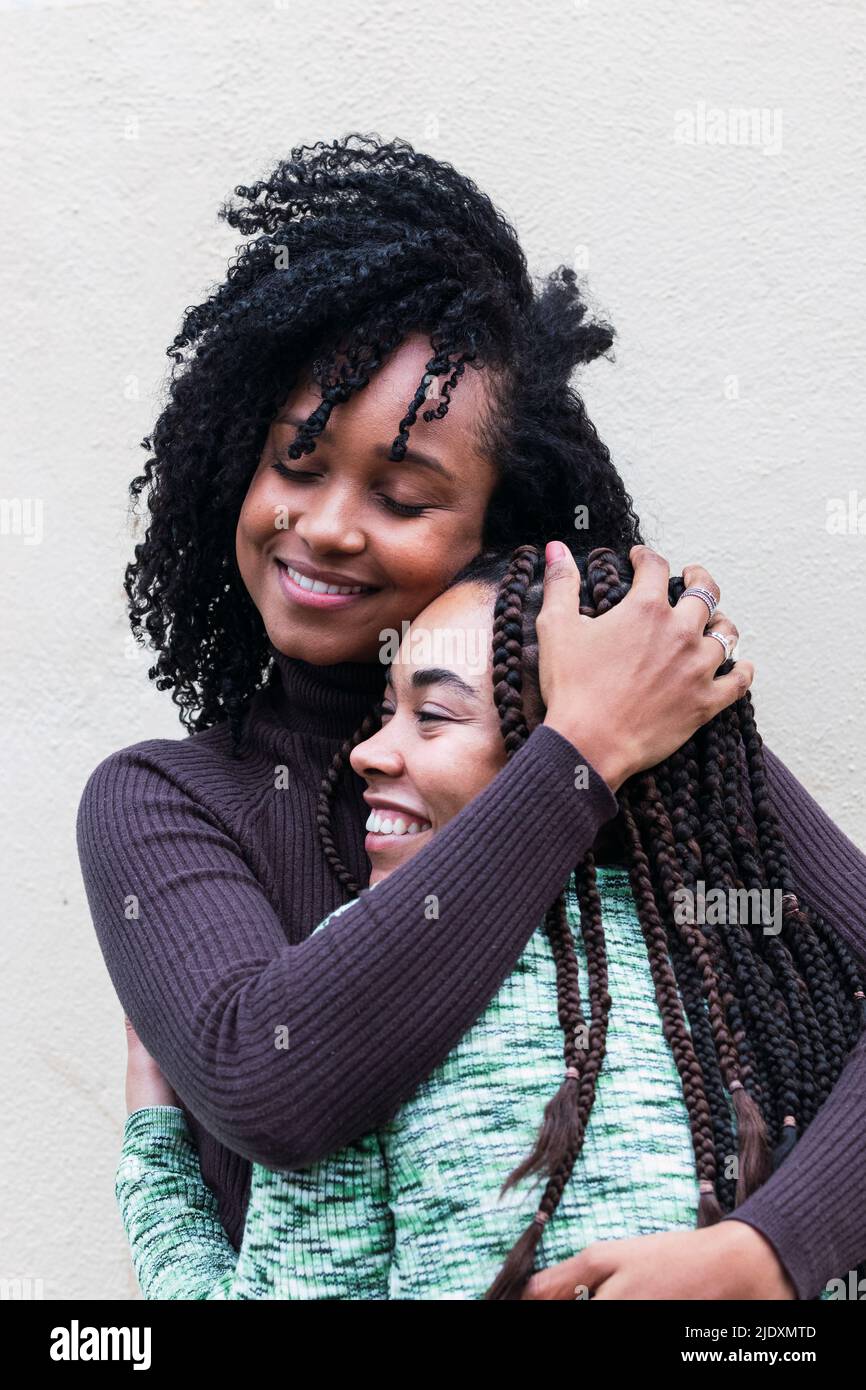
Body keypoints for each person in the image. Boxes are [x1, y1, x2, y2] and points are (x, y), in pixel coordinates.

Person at [77, 134, 866, 1301]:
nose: (329, 525)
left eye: (401, 495)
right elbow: (277, 1088)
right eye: (295, 463)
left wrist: (763, 1257)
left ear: (502, 523)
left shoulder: (641, 719)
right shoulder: (169, 801)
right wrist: (579, 758)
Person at [114, 542, 865, 1299]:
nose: (368, 752)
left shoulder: (363, 977)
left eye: (432, 715)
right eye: (385, 712)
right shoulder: (757, 967)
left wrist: (156, 1149)